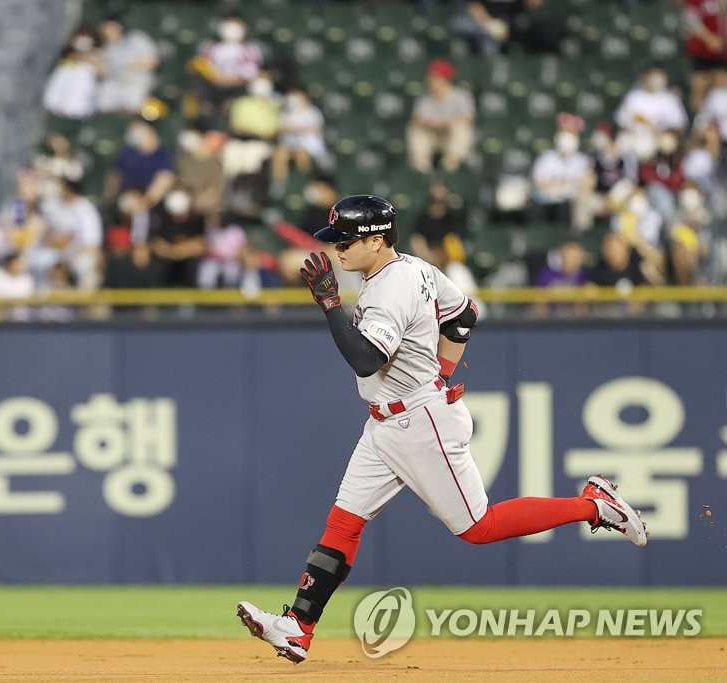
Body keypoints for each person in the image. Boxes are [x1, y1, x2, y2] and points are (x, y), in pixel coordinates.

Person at [236, 194, 647, 664]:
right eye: (337, 240)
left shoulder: (391, 288)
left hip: (418, 421)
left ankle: (594, 506)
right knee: (345, 522)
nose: (338, 249)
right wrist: (442, 373)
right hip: (387, 422)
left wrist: (330, 303)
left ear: (376, 240)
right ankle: (298, 628)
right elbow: (465, 316)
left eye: (346, 241)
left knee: (479, 527)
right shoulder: (417, 269)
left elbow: (367, 359)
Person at [406, 59, 475, 173]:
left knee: (462, 129)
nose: (430, 80)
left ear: (446, 79)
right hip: (432, 135)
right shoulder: (424, 98)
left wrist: (444, 123)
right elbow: (417, 119)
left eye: (435, 77)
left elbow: (467, 120)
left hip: (449, 137)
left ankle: (450, 167)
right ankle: (421, 169)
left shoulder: (461, 97)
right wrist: (429, 123)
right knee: (415, 129)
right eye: (431, 77)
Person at [37, 178, 104, 290]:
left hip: (78, 254)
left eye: (61, 187)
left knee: (83, 266)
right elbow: (44, 235)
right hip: (56, 253)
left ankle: (80, 299)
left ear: (69, 189)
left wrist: (69, 262)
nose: (59, 190)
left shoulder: (86, 209)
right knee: (40, 261)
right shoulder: (53, 206)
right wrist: (54, 241)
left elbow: (91, 244)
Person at [191, 14, 263, 113]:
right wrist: (215, 77)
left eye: (236, 26)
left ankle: (232, 106)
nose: (232, 30)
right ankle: (207, 107)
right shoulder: (210, 46)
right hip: (213, 84)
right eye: (229, 25)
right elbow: (203, 66)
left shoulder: (250, 49)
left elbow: (251, 72)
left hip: (237, 87)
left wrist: (231, 80)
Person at [104, 118, 176, 212]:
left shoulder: (163, 157)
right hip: (122, 205)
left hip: (149, 210)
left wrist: (141, 204)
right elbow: (114, 177)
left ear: (150, 130)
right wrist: (111, 199)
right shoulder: (127, 153)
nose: (133, 132)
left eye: (138, 128)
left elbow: (160, 187)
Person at [529, 115, 591, 226]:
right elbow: (538, 181)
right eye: (563, 134)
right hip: (547, 199)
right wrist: (557, 188)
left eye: (570, 134)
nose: (566, 139)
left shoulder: (583, 160)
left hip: (572, 202)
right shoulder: (546, 157)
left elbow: (586, 183)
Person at [96, 17, 159, 114]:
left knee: (134, 103)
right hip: (117, 83)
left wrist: (131, 65)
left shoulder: (136, 38)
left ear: (118, 26)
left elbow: (153, 61)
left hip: (139, 81)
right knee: (103, 101)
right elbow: (105, 73)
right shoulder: (107, 49)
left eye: (111, 28)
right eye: (105, 30)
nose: (108, 32)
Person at [148, 188, 206, 287]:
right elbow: (156, 243)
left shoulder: (197, 220)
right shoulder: (161, 220)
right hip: (166, 265)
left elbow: (201, 244)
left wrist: (179, 251)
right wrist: (172, 252)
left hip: (188, 265)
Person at [42, 28, 103, 120]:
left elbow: (102, 73)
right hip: (61, 91)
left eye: (86, 38)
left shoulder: (96, 54)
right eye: (80, 37)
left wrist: (92, 61)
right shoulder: (66, 54)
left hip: (82, 96)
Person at [272, 86, 327, 186]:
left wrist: (295, 128)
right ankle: (280, 184)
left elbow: (316, 128)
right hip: (289, 144)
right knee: (280, 154)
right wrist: (301, 128)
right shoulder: (287, 112)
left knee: (302, 155)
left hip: (308, 145)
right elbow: (282, 128)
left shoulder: (312, 111)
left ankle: (305, 184)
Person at [683, 0, 727, 112]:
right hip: (701, 51)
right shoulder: (697, 1)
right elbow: (690, 18)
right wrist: (708, 38)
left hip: (722, 52)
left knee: (722, 84)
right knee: (700, 86)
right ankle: (699, 119)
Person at [175, 125, 225, 220]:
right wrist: (193, 201)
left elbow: (217, 188)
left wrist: (205, 199)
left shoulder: (214, 161)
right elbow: (181, 184)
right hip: (191, 203)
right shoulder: (183, 162)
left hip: (211, 204)